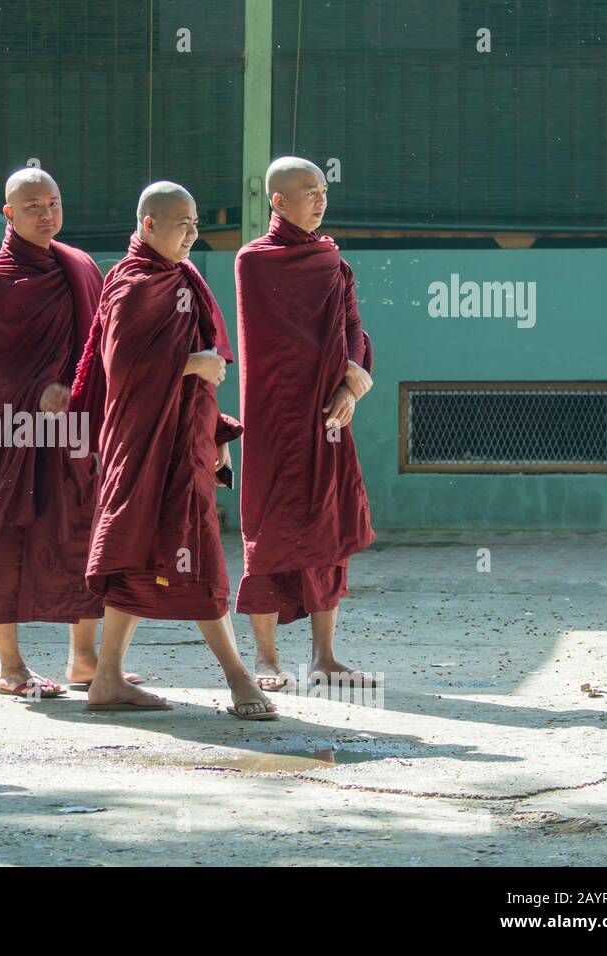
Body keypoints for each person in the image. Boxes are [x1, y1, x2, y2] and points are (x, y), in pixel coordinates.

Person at [70, 181, 276, 719]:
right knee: (195, 552)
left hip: (183, 441)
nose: (191, 233)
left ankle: (108, 678)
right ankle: (238, 679)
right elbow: (122, 370)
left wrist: (216, 437)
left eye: (195, 223)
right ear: (148, 226)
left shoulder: (181, 278)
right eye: (180, 223)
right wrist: (190, 363)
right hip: (142, 445)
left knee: (135, 554)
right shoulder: (132, 285)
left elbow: (200, 375)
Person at [0, 168, 143, 698]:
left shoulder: (77, 266)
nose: (46, 214)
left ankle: (84, 659)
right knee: (2, 537)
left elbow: (99, 346)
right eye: (32, 206)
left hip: (70, 431)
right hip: (6, 436)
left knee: (81, 531)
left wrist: (75, 395)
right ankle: (10, 667)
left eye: (53, 203)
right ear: (8, 213)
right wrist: (35, 392)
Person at [234, 157, 377, 691]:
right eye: (307, 191)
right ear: (278, 201)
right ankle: (267, 659)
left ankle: (324, 658)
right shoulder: (255, 261)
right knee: (270, 532)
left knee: (326, 530)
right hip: (275, 421)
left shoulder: (332, 261)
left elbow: (354, 330)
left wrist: (351, 386)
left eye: (322, 190)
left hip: (327, 416)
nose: (319, 199)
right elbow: (275, 344)